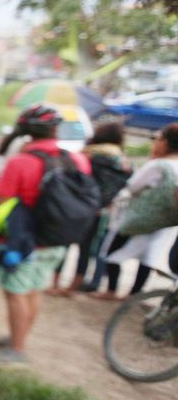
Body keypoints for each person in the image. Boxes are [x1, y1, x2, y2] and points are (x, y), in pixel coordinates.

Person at [0, 105, 91, 364]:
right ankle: (17, 338)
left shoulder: (21, 162)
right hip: (58, 239)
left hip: (25, 242)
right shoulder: (77, 160)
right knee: (34, 290)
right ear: (56, 129)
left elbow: (1, 203)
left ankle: (17, 349)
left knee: (16, 293)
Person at [100, 123, 178, 298]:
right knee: (149, 257)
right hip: (166, 222)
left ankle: (111, 290)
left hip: (140, 218)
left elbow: (134, 186)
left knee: (112, 252)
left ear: (165, 142)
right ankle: (134, 294)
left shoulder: (158, 165)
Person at [62, 121, 130, 297]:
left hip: (78, 205)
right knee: (89, 249)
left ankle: (57, 283)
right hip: (103, 211)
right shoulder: (123, 161)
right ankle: (74, 287)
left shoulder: (89, 155)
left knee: (65, 243)